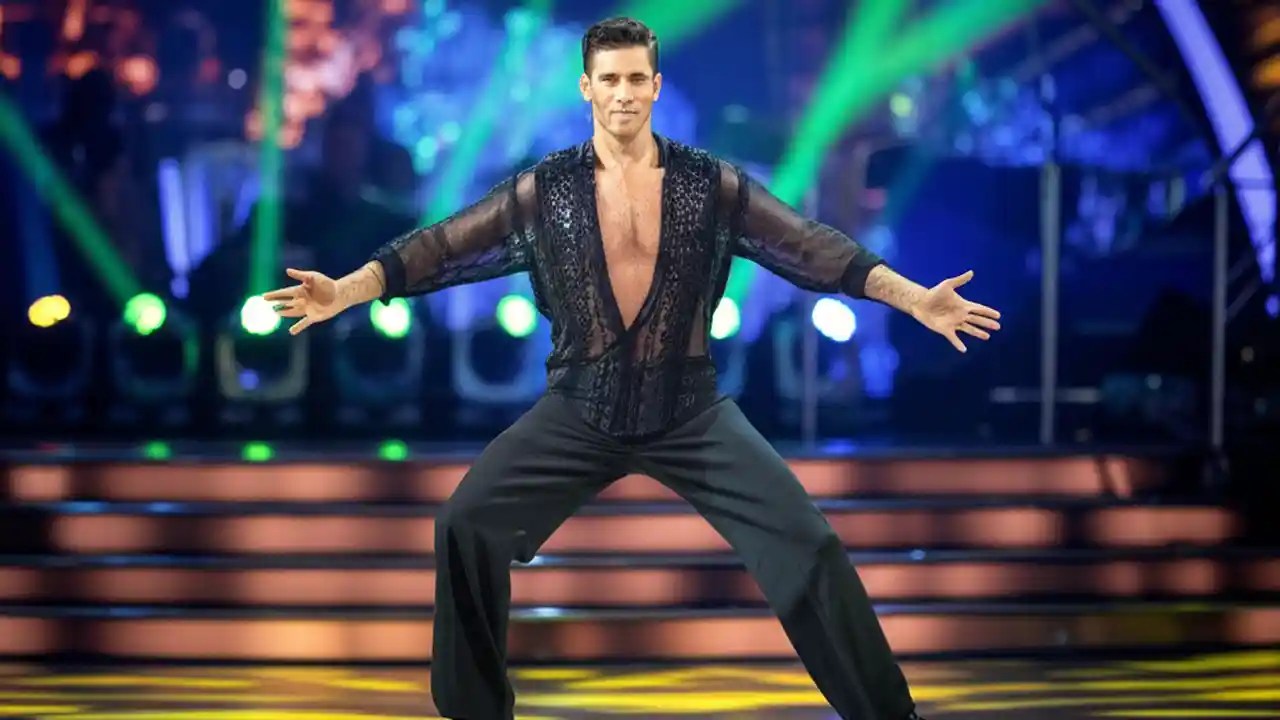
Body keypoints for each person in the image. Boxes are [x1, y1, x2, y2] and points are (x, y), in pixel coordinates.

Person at [265, 16, 1000, 720]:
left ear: (655, 86)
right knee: (466, 523)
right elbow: (443, 247)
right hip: (579, 407)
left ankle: (888, 714)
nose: (623, 93)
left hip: (691, 410)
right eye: (609, 80)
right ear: (587, 87)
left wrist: (914, 298)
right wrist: (348, 289)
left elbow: (811, 246)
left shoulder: (708, 183)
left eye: (636, 79)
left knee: (810, 546)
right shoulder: (546, 189)